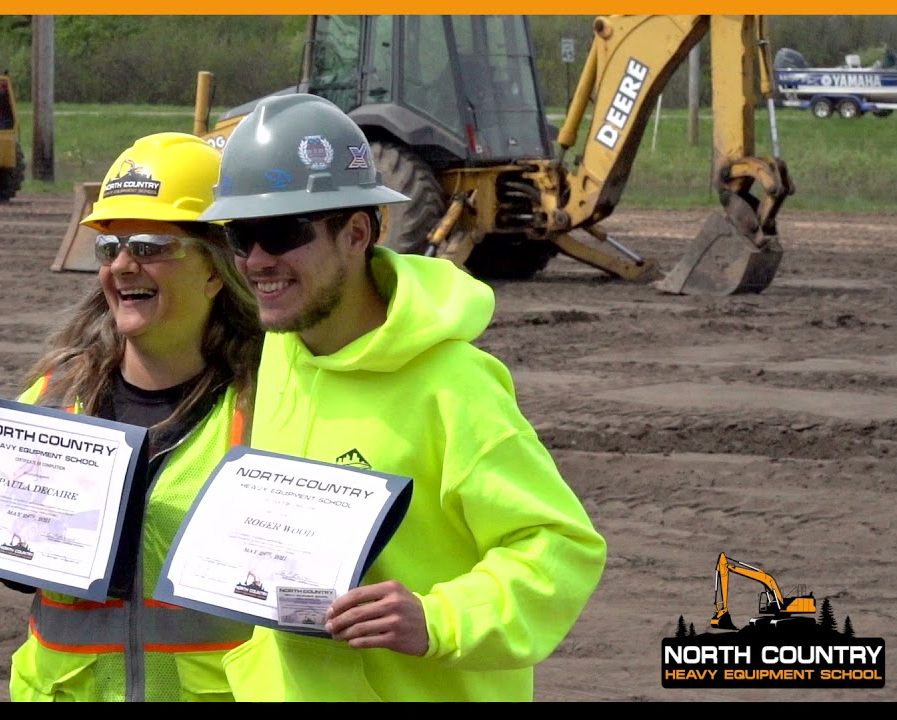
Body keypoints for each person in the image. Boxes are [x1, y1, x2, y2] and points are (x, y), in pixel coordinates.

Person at [194, 93, 608, 702]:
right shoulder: (279, 352)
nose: (256, 260)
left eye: (280, 232)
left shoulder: (454, 385)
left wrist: (439, 619)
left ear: (357, 232)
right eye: (239, 235)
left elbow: (560, 547)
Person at [0, 132, 264, 702]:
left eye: (149, 246)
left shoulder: (267, 406)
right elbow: (26, 564)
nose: (123, 265)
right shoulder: (57, 394)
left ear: (216, 269)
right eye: (110, 247)